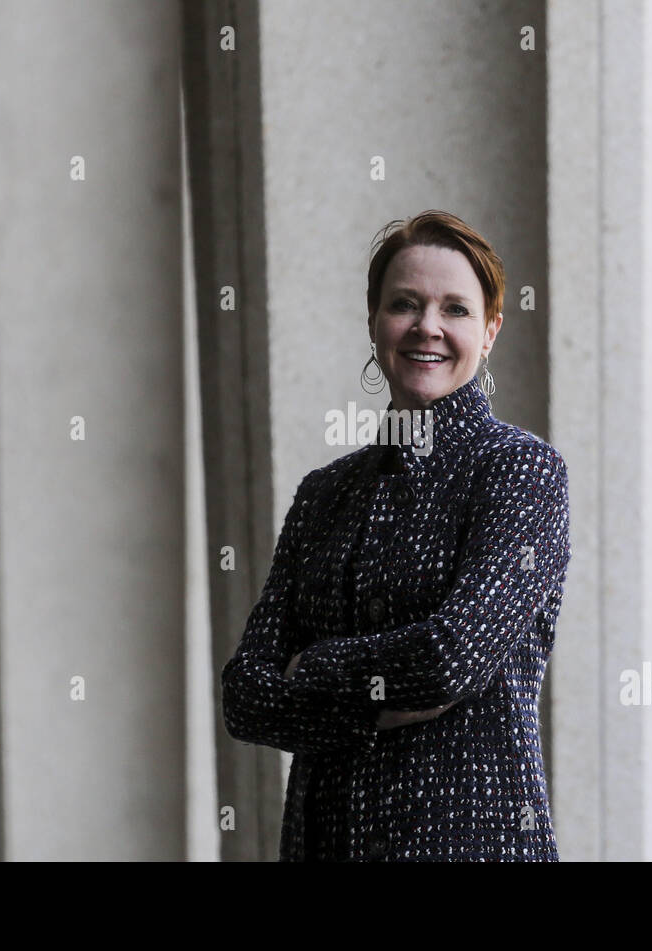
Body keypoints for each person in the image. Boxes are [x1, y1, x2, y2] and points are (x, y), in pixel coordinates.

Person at [221, 210, 571, 861]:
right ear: (374, 320)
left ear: (490, 329)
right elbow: (245, 695)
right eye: (404, 304)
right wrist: (376, 697)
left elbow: (448, 657)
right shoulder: (324, 495)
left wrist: (314, 668)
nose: (427, 326)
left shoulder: (520, 471)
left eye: (455, 309)